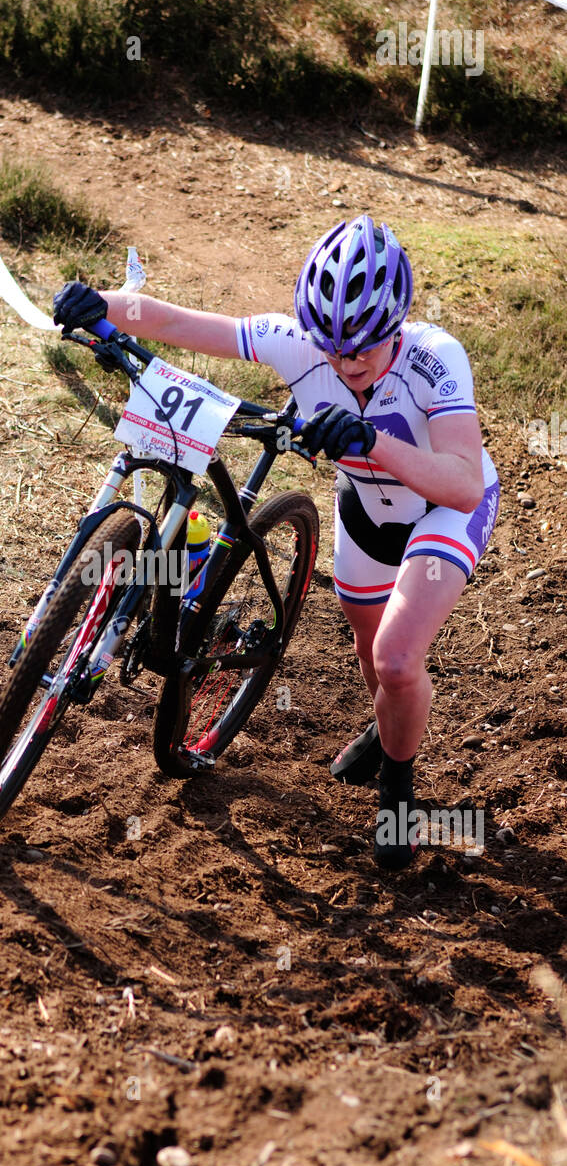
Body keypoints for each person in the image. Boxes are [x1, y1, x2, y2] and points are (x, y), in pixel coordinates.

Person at [52, 215, 499, 871]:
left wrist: (371, 440)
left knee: (400, 662)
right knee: (373, 660)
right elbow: (181, 324)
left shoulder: (436, 358)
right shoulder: (298, 342)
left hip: (441, 511)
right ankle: (386, 729)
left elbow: (462, 483)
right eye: (330, 348)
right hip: (366, 510)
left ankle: (398, 791)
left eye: (362, 352)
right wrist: (104, 304)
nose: (343, 363)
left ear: (395, 327)